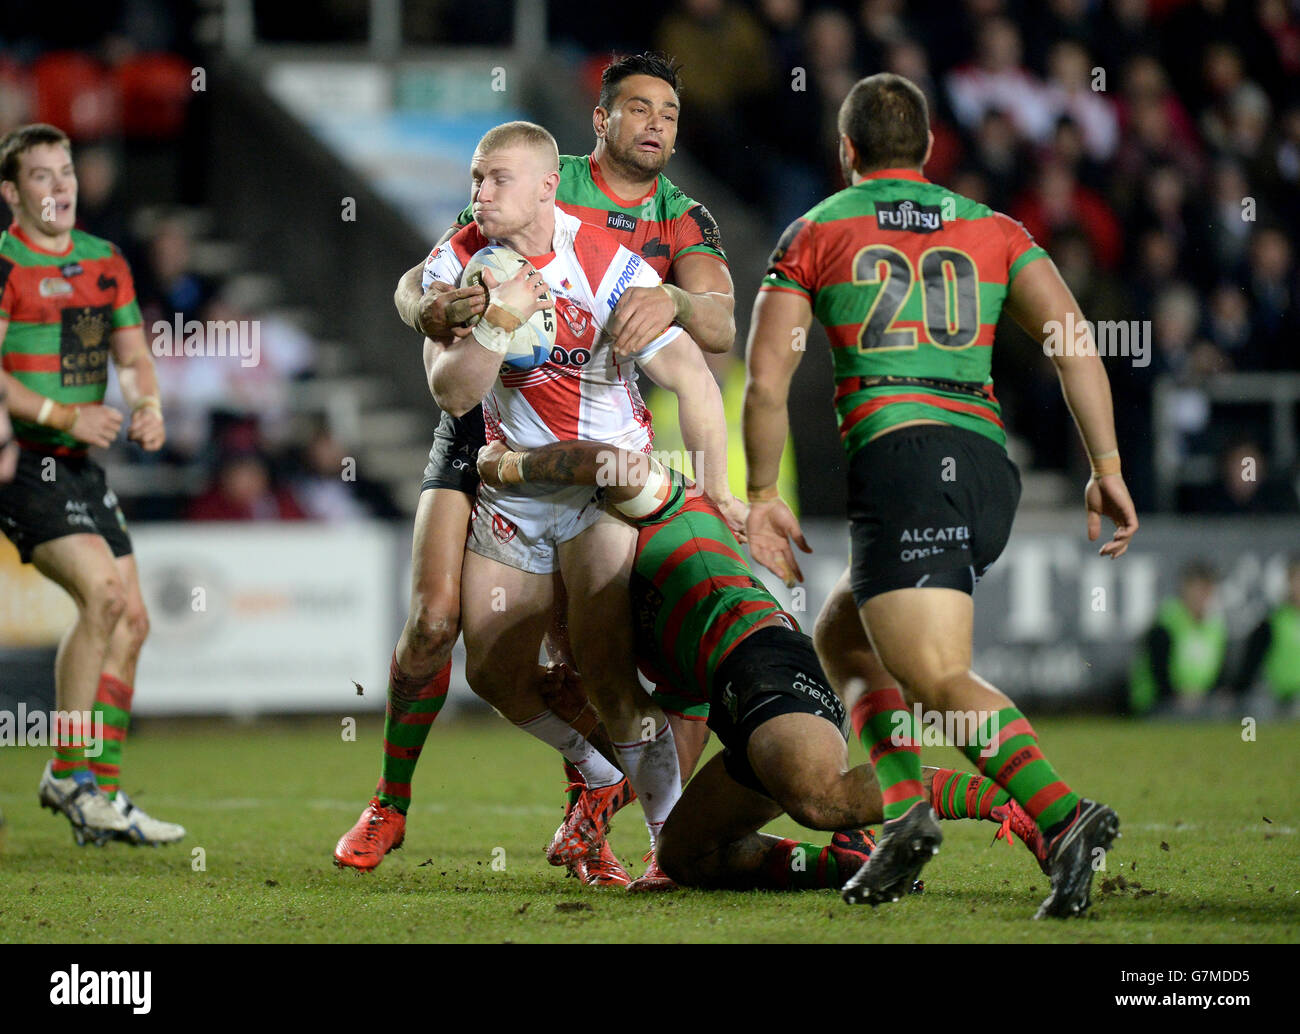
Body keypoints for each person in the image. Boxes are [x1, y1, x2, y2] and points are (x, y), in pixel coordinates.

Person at [335, 53, 737, 887]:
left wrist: (719, 492)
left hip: (599, 486)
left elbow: (703, 365)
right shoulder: (475, 249)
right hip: (502, 468)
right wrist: (481, 321)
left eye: (493, 180)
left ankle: (669, 846)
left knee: (605, 667)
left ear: (547, 187)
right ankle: (579, 782)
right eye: (477, 179)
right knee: (479, 661)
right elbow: (449, 387)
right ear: (601, 124)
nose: (479, 192)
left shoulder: (641, 240)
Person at [741, 74, 1138, 919]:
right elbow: (1074, 344)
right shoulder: (994, 229)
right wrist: (1106, 465)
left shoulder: (817, 229)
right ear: (928, 150)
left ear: (848, 151)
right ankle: (907, 812)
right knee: (844, 634)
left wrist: (764, 490)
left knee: (935, 677)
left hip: (905, 460)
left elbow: (767, 378)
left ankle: (1065, 818)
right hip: (987, 471)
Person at [475, 437, 1045, 890]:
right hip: (740, 702)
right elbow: (664, 760)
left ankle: (1006, 803)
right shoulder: (645, 634)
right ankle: (845, 866)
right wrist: (590, 727)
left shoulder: (667, 506)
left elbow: (605, 461)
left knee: (820, 797)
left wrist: (509, 467)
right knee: (684, 854)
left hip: (769, 660)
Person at [0, 123, 184, 847]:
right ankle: (69, 774)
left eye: (66, 171)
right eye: (41, 176)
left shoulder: (103, 262)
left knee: (133, 622)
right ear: (12, 194)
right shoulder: (5, 263)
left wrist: (147, 406)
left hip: (79, 464)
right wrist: (60, 414)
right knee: (103, 596)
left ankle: (101, 795)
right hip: (25, 461)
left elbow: (133, 354)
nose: (60, 187)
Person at [1129, 561, 1227, 716]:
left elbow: (1220, 671)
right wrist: (1180, 696)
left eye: (1208, 589)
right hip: (1161, 703)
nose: (1204, 595)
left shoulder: (1215, 627)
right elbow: (1159, 673)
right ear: (1185, 588)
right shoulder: (1166, 623)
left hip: (1202, 702)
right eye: (1200, 588)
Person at [1233, 555, 1300, 713]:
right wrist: (1236, 690)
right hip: (1277, 700)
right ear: (1288, 582)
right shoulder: (1273, 622)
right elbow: (1251, 661)